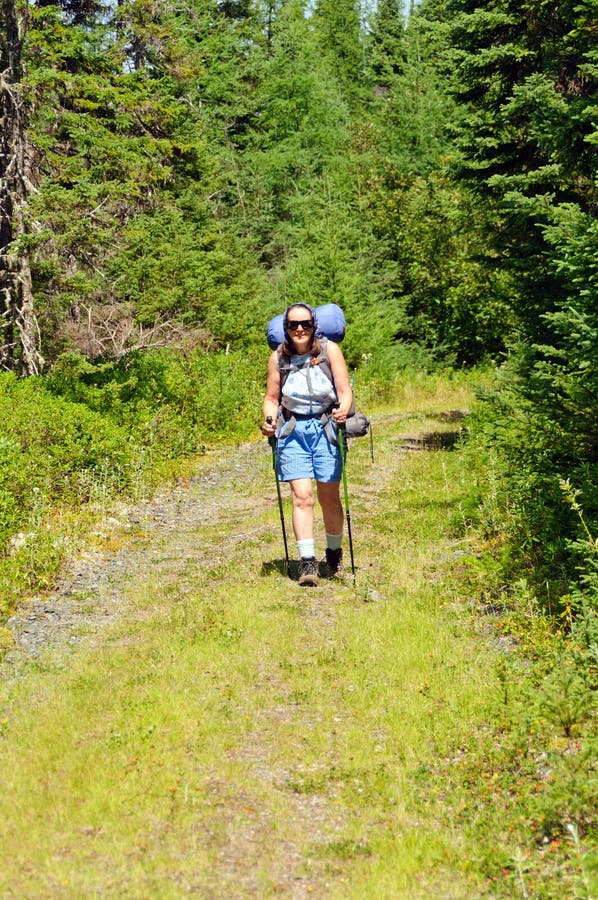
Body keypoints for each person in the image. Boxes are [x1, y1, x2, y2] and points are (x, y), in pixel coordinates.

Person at [261, 303, 353, 586]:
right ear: (286, 328)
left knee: (328, 496)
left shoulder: (329, 351)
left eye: (305, 324)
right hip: (292, 430)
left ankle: (334, 555)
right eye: (293, 325)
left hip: (326, 427)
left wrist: (343, 409)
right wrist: (269, 420)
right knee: (302, 496)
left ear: (314, 325)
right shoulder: (278, 357)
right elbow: (272, 398)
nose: (300, 329)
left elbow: (344, 390)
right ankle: (308, 564)